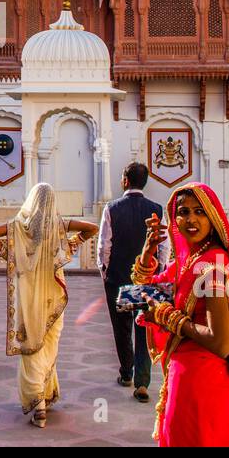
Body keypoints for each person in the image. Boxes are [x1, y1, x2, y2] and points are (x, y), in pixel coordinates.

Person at [134, 182, 229, 447]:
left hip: (202, 381)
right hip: (185, 375)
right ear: (174, 217)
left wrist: (169, 318)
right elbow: (142, 291)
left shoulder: (212, 268)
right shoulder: (190, 259)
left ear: (212, 218)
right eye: (183, 211)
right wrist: (148, 250)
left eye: (200, 212)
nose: (191, 219)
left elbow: (220, 342)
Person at [0, 183, 97, 428]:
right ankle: (42, 397)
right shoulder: (58, 225)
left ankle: (39, 404)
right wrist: (74, 242)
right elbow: (93, 228)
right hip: (53, 294)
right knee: (48, 343)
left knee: (31, 344)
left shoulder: (18, 227)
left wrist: (9, 255)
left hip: (29, 294)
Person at [97, 162, 166, 403]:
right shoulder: (156, 208)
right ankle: (143, 382)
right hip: (146, 279)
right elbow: (163, 247)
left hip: (118, 277)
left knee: (122, 326)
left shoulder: (112, 208)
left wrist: (105, 272)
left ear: (125, 180)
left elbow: (105, 246)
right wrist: (158, 274)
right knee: (143, 326)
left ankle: (126, 372)